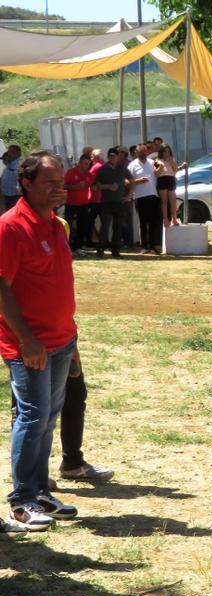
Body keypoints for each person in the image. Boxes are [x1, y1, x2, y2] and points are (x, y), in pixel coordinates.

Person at [0, 151, 82, 532]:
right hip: (29, 345)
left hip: (61, 340)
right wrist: (27, 339)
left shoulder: (56, 225)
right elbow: (2, 287)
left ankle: (39, 490)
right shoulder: (10, 227)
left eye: (60, 182)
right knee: (32, 417)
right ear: (26, 183)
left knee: (47, 418)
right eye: (50, 182)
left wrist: (71, 338)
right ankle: (22, 501)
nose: (58, 188)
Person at [95, 147, 134, 257]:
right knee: (105, 226)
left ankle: (115, 250)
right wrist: (108, 186)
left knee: (118, 226)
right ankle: (101, 249)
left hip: (119, 202)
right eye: (110, 156)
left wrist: (129, 195)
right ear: (108, 157)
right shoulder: (102, 169)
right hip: (106, 202)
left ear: (117, 157)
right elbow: (97, 185)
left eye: (114, 156)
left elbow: (132, 181)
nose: (112, 158)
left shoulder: (122, 169)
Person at [128, 143, 160, 253]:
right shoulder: (132, 165)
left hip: (153, 195)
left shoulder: (152, 162)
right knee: (143, 223)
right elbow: (126, 181)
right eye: (141, 151)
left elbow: (160, 172)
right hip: (140, 196)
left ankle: (152, 246)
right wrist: (138, 181)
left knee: (153, 222)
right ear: (136, 152)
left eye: (145, 151)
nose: (143, 153)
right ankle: (144, 246)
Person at [63, 153, 95, 255]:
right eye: (85, 163)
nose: (87, 166)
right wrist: (74, 187)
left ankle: (78, 247)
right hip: (71, 203)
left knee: (82, 226)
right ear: (80, 162)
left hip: (83, 204)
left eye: (88, 164)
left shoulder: (89, 175)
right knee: (68, 225)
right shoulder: (71, 172)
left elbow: (93, 185)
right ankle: (67, 247)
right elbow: (63, 185)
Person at [155, 144, 181, 227]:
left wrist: (172, 162)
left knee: (173, 199)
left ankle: (174, 218)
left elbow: (176, 170)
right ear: (161, 152)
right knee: (164, 201)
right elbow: (156, 173)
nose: (166, 153)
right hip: (162, 179)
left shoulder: (172, 159)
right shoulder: (157, 161)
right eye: (164, 151)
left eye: (168, 151)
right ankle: (165, 219)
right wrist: (161, 167)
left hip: (171, 178)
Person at [1, 145, 21, 211]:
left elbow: (16, 173)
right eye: (9, 152)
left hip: (15, 195)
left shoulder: (19, 163)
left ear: (18, 154)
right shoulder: (10, 163)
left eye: (12, 152)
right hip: (8, 195)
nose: (9, 154)